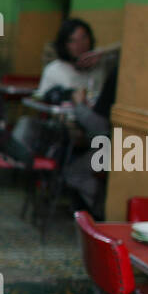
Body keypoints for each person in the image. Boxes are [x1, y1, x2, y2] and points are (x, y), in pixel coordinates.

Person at [34, 19, 120, 220]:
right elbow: (43, 105)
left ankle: (98, 211)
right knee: (73, 162)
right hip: (71, 134)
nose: (80, 45)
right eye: (73, 41)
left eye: (84, 38)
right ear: (64, 45)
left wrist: (102, 52)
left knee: (85, 166)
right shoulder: (55, 70)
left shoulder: (102, 66)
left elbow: (127, 46)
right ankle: (93, 209)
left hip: (102, 136)